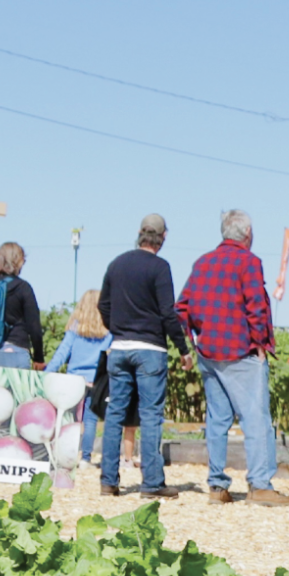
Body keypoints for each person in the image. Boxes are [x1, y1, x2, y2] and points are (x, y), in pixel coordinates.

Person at [178, 209, 289, 507]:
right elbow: (256, 305)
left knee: (217, 420)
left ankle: (217, 487)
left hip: (208, 353)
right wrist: (259, 343)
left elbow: (182, 308)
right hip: (240, 351)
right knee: (256, 421)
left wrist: (191, 342)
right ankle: (260, 486)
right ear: (248, 234)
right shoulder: (249, 262)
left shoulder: (202, 263)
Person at [98, 214, 193, 499]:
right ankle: (151, 484)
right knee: (151, 415)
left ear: (140, 234)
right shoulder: (160, 267)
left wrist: (117, 328)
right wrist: (183, 349)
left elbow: (103, 304)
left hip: (120, 347)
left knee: (114, 414)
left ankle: (108, 481)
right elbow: (167, 312)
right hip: (150, 349)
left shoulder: (117, 264)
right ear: (163, 238)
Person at [44, 289, 113, 464]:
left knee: (69, 420)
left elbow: (62, 354)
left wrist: (46, 374)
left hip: (73, 381)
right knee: (90, 420)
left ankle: (63, 456)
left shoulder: (75, 327)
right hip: (95, 381)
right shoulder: (109, 330)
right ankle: (86, 459)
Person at [0, 242, 44, 370]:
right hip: (15, 352)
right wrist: (38, 358)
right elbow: (34, 326)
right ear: (18, 262)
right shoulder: (23, 288)